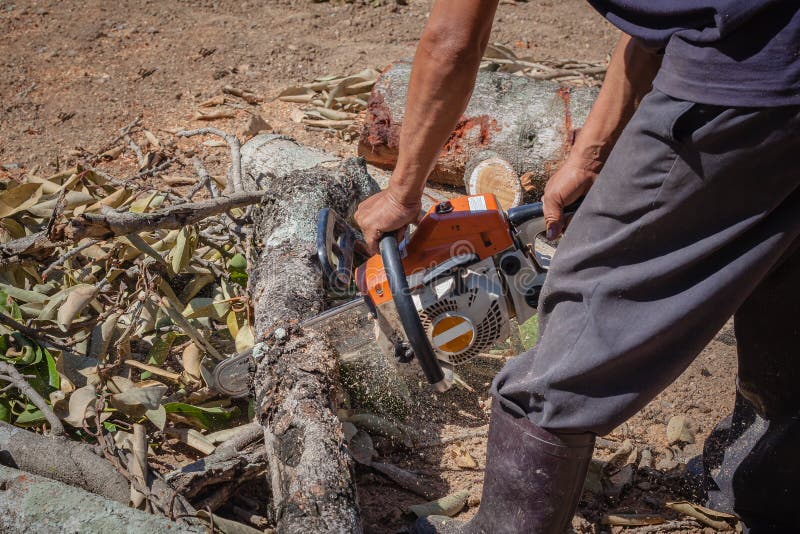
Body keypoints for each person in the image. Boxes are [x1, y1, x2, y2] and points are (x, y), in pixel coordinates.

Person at [355, 1, 800, 532]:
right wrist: (588, 156)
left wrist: (404, 191)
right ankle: (767, 482)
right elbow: (657, 25)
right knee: (784, 275)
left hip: (742, 83)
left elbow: (452, 39)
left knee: (580, 304)